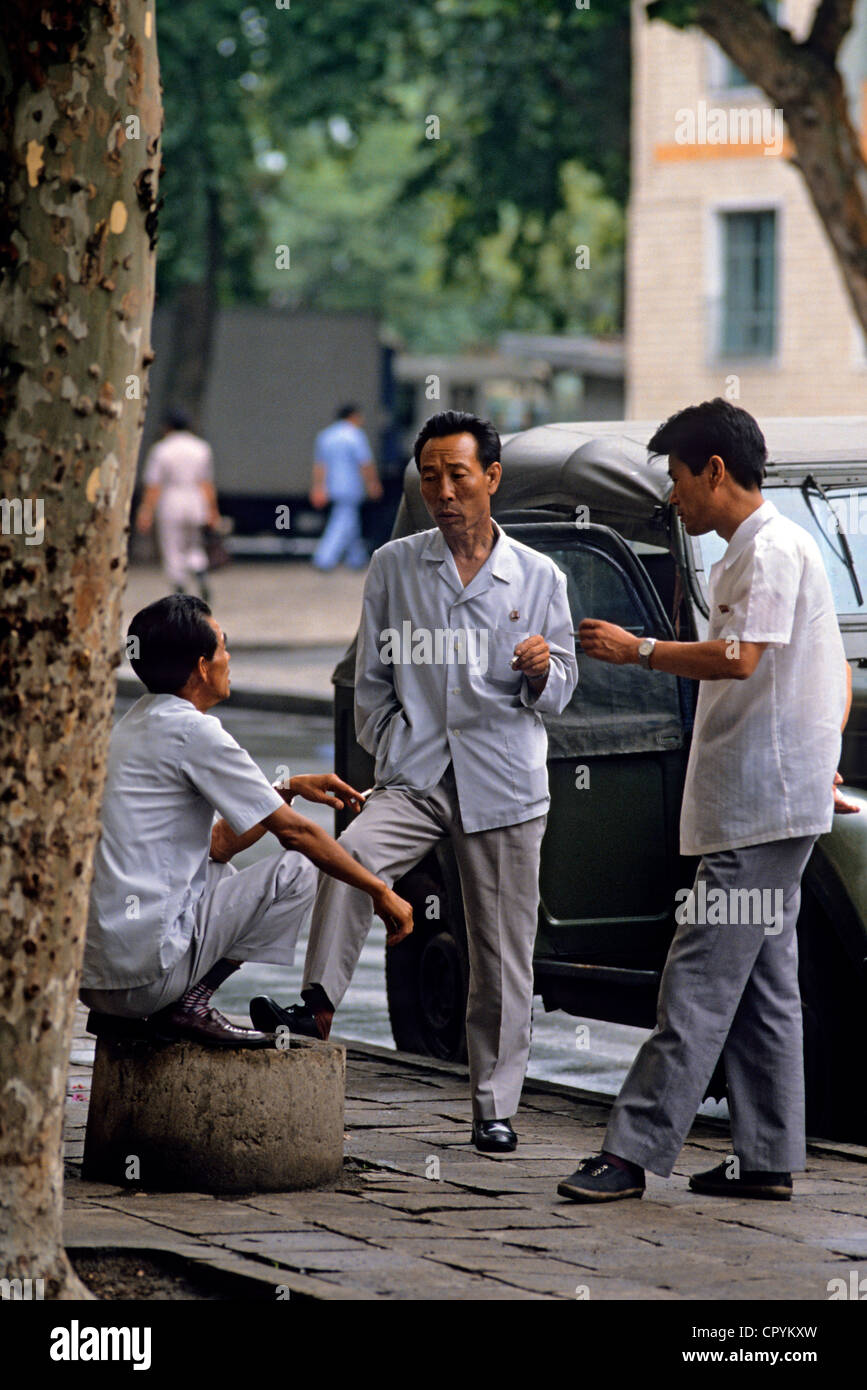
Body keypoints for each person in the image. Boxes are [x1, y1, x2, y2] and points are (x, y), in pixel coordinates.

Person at [250, 410, 578, 1150]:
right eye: (430, 477)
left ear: (490, 478)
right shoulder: (395, 566)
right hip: (417, 779)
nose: (443, 491)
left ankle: (493, 1107)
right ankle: (318, 1002)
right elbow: (370, 688)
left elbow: (563, 687)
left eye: (457, 475)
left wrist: (540, 674)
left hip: (504, 788)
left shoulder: (537, 575)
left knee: (499, 957)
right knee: (348, 860)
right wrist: (400, 747)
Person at [557, 398, 850, 1203]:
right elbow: (837, 675)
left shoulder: (767, 550)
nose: (676, 497)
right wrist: (817, 757)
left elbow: (739, 657)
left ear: (713, 470)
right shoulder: (766, 548)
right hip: (767, 800)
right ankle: (765, 1160)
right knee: (762, 988)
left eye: (680, 480)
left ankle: (629, 1153)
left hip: (757, 808)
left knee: (695, 983)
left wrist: (637, 649)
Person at [80, 594, 413, 1047]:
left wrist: (288, 789)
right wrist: (378, 890)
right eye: (223, 646)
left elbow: (218, 846)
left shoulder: (133, 723)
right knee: (299, 869)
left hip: (100, 985)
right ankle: (190, 1004)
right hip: (145, 979)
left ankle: (166, 1004)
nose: (229, 657)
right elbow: (295, 834)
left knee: (222, 869)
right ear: (201, 667)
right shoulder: (195, 732)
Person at [136, 408, 219, 601]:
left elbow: (154, 485)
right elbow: (206, 483)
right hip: (195, 500)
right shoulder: (201, 448)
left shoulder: (161, 449)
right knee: (194, 544)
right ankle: (200, 570)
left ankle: (179, 588)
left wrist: (146, 511)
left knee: (172, 547)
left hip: (171, 500)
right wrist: (213, 511)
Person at [310, 404, 382, 571]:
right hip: (350, 485)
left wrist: (319, 487)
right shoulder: (355, 435)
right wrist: (372, 483)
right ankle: (323, 559)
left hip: (332, 484)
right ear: (353, 416)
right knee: (342, 521)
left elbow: (320, 465)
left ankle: (356, 559)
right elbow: (365, 463)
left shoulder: (326, 436)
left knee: (351, 522)